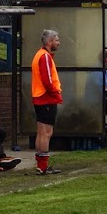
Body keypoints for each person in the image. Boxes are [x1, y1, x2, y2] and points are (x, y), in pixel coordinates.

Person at [31, 30, 63, 174]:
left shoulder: (40, 54)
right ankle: (43, 166)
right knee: (46, 133)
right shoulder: (44, 57)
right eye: (56, 40)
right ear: (49, 42)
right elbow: (47, 80)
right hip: (45, 97)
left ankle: (40, 164)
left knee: (41, 132)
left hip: (39, 97)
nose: (58, 42)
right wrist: (54, 93)